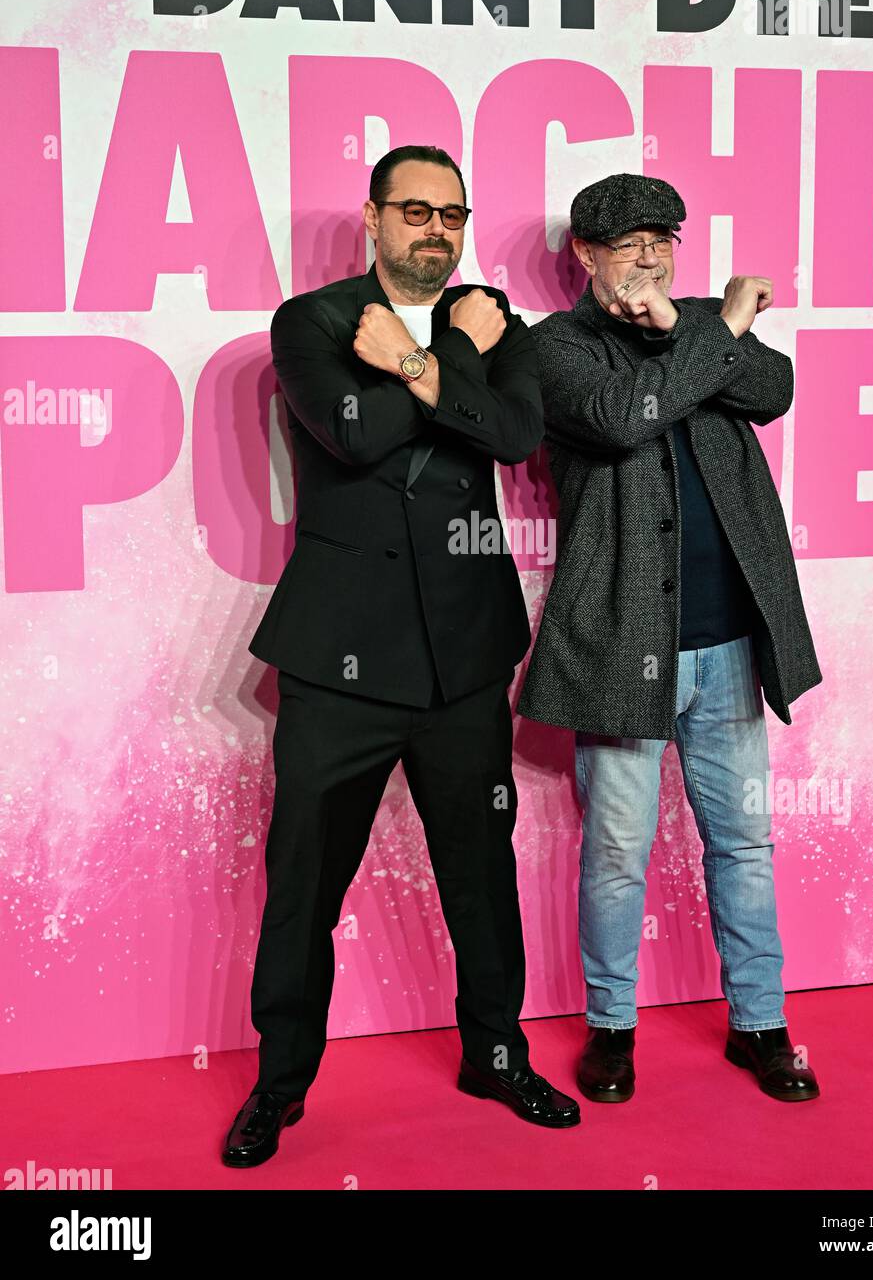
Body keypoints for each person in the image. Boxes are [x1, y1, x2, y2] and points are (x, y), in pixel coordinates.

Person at [223, 144, 580, 1168]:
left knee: (481, 873)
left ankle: (496, 1053)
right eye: (413, 210)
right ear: (373, 221)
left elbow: (513, 435)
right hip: (337, 657)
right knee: (305, 883)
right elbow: (356, 437)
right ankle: (279, 1085)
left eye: (450, 214)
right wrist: (428, 368)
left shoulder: (485, 320)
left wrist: (425, 359)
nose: (434, 229)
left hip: (464, 658)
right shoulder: (314, 323)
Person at [516, 172, 823, 1106]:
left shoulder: (696, 326)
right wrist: (713, 335)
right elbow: (622, 419)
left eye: (665, 240)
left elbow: (773, 389)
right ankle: (611, 1029)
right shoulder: (554, 349)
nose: (650, 257)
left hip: (730, 637)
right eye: (629, 242)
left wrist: (691, 332)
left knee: (744, 842)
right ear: (585, 253)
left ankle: (760, 1023)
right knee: (616, 848)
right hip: (621, 644)